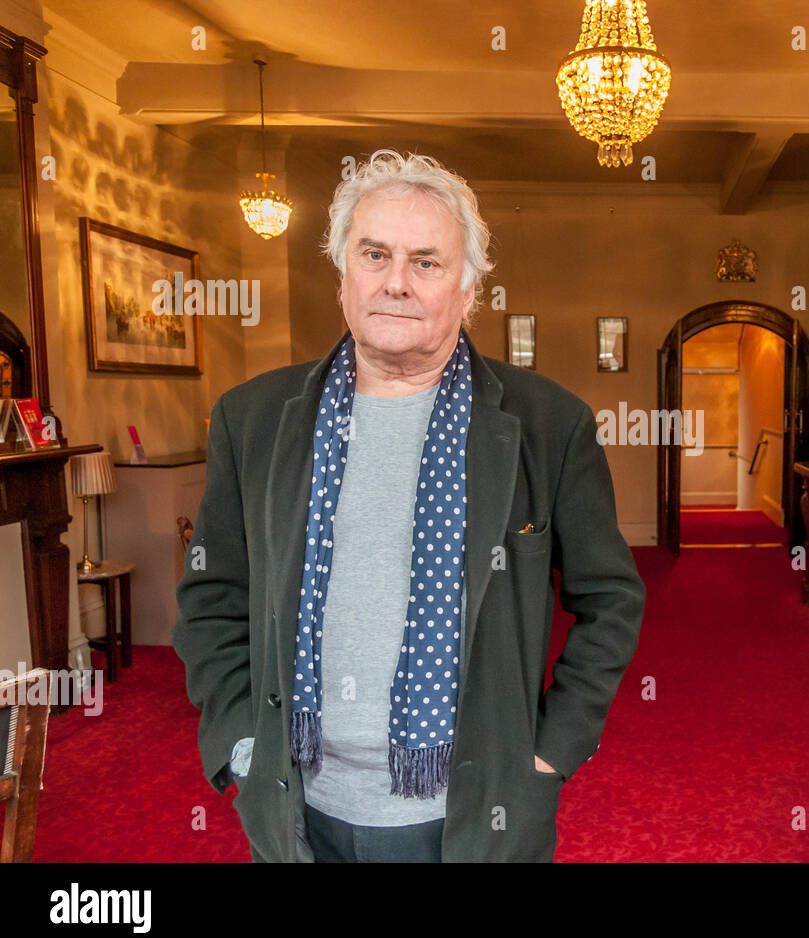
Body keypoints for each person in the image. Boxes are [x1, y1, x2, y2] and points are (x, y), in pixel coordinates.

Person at [173, 149, 645, 863]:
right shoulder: (253, 418)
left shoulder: (550, 424)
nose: (396, 281)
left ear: (467, 289)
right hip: (297, 807)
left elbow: (610, 599)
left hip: (474, 814)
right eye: (375, 254)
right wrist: (242, 745)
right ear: (342, 277)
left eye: (426, 261)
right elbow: (212, 596)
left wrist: (549, 751)